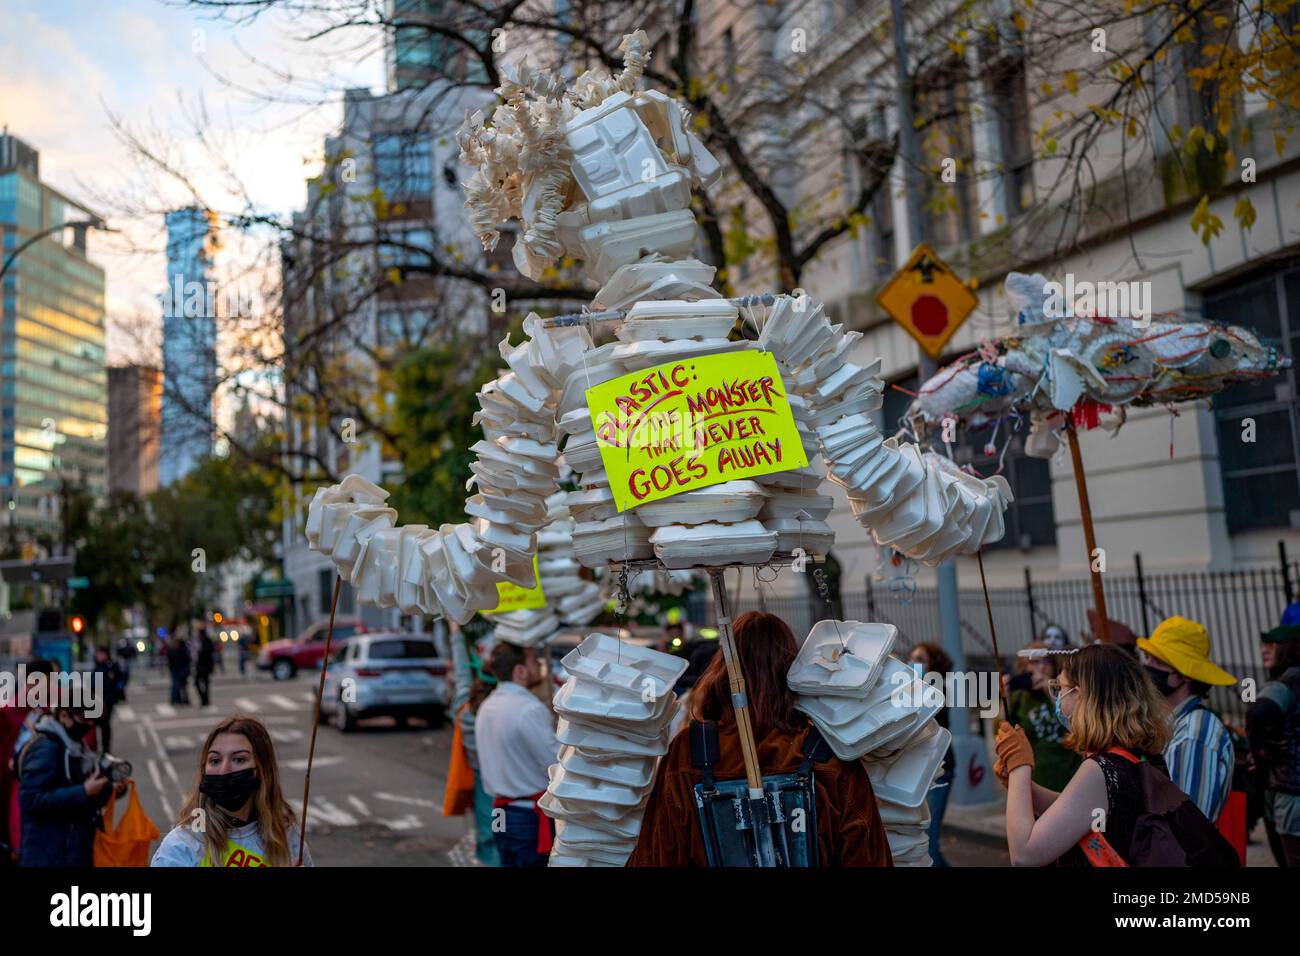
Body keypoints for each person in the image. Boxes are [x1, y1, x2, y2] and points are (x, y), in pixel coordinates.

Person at [629, 611, 893, 866]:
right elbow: (867, 854)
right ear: (790, 668)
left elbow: (659, 852)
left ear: (724, 668)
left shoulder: (691, 751)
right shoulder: (829, 749)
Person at [996, 643, 1232, 866]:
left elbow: (1024, 854)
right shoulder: (1132, 754)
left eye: (1060, 688)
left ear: (1081, 695)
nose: (1058, 698)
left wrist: (1019, 766)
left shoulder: (1099, 769)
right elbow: (1074, 809)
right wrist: (1023, 786)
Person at [152, 715, 312, 866]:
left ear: (262, 771)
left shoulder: (288, 838)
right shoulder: (182, 845)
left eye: (239, 759)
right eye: (215, 760)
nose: (224, 770)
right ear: (203, 770)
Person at [1136, 616, 1236, 822]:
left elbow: (1188, 824)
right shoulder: (1168, 722)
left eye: (1158, 661)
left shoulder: (1194, 734)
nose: (1147, 666)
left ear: (1187, 675)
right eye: (1147, 657)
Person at [474, 641, 559, 867]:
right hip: (526, 817)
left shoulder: (487, 706)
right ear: (519, 671)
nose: (539, 664)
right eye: (533, 661)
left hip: (500, 814)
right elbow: (556, 764)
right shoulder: (528, 708)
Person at [15, 704, 126, 866]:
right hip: (50, 854)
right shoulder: (46, 749)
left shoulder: (75, 746)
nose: (89, 725)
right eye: (84, 719)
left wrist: (109, 789)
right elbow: (31, 800)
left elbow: (81, 803)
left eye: (92, 721)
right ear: (64, 716)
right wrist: (84, 791)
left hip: (72, 849)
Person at [444, 626, 501, 866]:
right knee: (502, 835)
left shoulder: (465, 711)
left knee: (489, 834)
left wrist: (455, 632)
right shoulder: (503, 713)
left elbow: (461, 674)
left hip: (481, 784)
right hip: (504, 787)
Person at [1247, 625, 1300, 867]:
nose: (1264, 650)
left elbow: (1256, 711)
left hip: (1291, 794)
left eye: (1272, 644)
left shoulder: (1286, 683)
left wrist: (1258, 752)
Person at [1003, 641, 1081, 792]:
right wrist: (1003, 699)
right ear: (1024, 667)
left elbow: (1073, 720)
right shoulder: (1019, 697)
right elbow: (1002, 730)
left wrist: (1050, 690)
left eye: (1047, 661)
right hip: (1037, 776)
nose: (1042, 667)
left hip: (1070, 774)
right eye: (1035, 662)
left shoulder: (1065, 691)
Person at [909, 641, 955, 866]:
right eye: (912, 658)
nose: (913, 663)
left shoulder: (938, 690)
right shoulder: (912, 689)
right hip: (919, 771)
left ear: (933, 666)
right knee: (923, 841)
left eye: (920, 659)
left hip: (939, 769)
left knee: (928, 842)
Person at [91, 646, 125, 755]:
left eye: (101, 654)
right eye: (98, 654)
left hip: (107, 700)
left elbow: (120, 680)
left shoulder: (111, 667)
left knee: (105, 725)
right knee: (95, 725)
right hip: (96, 699)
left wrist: (117, 694)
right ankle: (95, 747)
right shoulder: (97, 667)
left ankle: (106, 749)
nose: (99, 656)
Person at [166, 635, 191, 705]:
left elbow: (187, 660)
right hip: (175, 671)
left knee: (182, 686)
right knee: (175, 686)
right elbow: (170, 660)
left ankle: (183, 700)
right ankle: (175, 700)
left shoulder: (182, 650)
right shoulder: (172, 650)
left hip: (182, 671)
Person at [194, 629, 215, 708]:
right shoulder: (202, 642)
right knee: (201, 683)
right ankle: (204, 699)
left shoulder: (206, 642)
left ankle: (205, 699)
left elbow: (206, 654)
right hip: (202, 667)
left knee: (204, 683)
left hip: (204, 667)